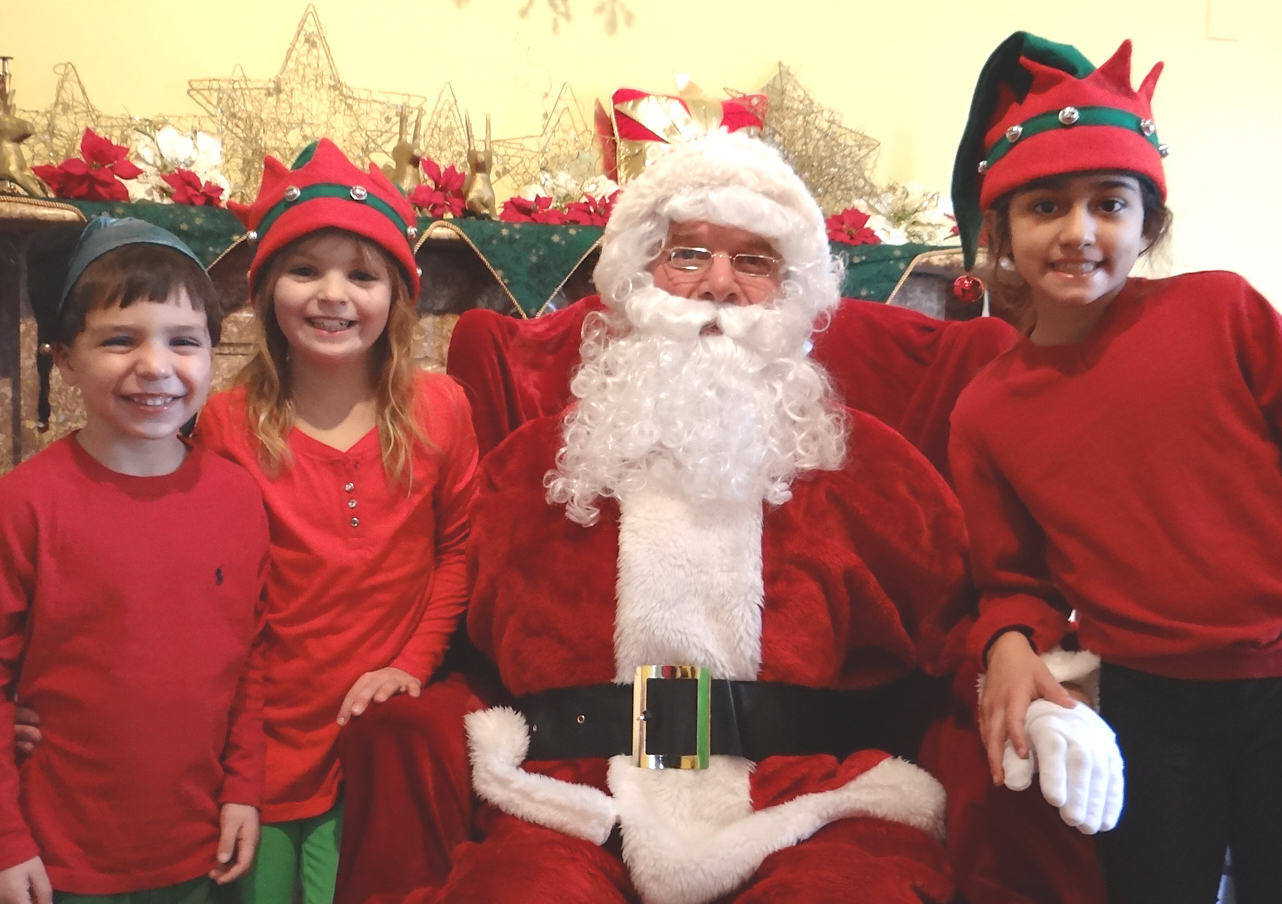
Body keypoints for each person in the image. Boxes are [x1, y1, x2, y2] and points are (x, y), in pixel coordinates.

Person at [430, 130, 974, 904]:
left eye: (753, 260)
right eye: (688, 254)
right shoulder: (532, 470)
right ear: (640, 272)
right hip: (576, 798)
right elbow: (459, 632)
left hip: (803, 797)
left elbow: (961, 626)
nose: (718, 285)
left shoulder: (867, 468)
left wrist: (1021, 664)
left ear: (789, 289)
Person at [948, 32, 1282, 904]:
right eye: (1045, 206)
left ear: (1148, 223)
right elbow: (1010, 577)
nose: (1079, 232)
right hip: (1150, 709)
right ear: (999, 230)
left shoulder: (1222, 311)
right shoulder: (986, 411)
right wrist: (1007, 642)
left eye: (1109, 204)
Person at [195, 139, 479, 904]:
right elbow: (216, 598)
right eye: (304, 270)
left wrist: (411, 664)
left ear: (397, 296)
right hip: (261, 742)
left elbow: (459, 551)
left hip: (376, 739)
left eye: (362, 275)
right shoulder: (225, 425)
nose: (333, 295)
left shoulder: (440, 409)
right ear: (266, 291)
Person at [0, 217, 268, 903]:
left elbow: (249, 659)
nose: (155, 366)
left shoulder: (237, 497)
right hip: (58, 859)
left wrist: (243, 788)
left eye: (184, 341)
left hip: (200, 847)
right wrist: (7, 840)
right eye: (120, 340)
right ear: (65, 359)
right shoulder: (25, 504)